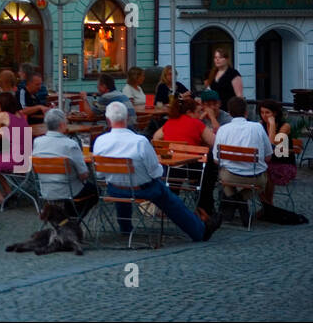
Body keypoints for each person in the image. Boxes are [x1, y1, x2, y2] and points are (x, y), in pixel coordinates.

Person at [93, 101, 221, 241]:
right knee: (167, 196)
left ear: (107, 120)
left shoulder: (100, 141)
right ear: (128, 117)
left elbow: (99, 174)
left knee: (123, 182)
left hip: (115, 189)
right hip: (142, 189)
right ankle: (199, 231)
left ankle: (125, 228)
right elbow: (156, 172)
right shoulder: (140, 142)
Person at [213, 98, 272, 225]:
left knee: (223, 179)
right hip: (255, 178)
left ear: (229, 113)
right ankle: (241, 200)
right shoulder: (258, 127)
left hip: (229, 177)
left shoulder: (222, 129)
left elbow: (216, 160)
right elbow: (268, 157)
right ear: (246, 112)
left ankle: (235, 202)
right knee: (263, 182)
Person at [31, 108, 97, 218]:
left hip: (45, 190)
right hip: (69, 191)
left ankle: (62, 218)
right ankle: (71, 221)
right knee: (95, 191)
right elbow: (84, 174)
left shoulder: (37, 142)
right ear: (62, 125)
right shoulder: (70, 144)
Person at [257, 99, 296, 207]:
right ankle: (267, 206)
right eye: (262, 112)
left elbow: (272, 145)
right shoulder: (260, 124)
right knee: (253, 171)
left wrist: (272, 125)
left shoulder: (285, 126)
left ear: (274, 113)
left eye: (267, 112)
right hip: (267, 162)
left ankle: (268, 207)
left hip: (284, 163)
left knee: (267, 172)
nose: (264, 115)